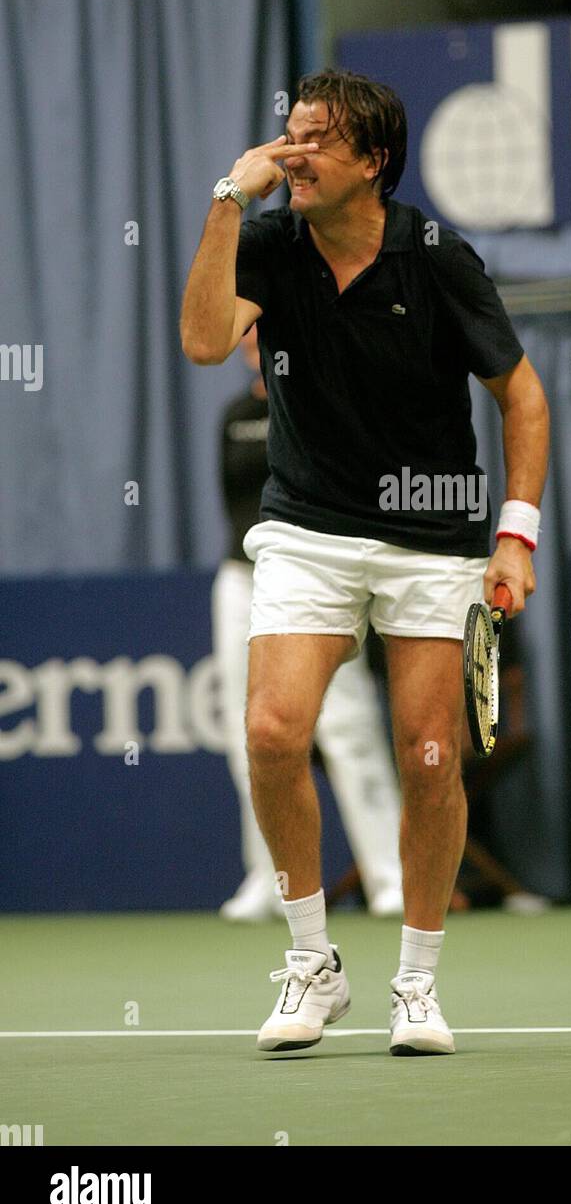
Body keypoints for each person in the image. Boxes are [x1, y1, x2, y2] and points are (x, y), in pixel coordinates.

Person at [180, 67, 549, 1056]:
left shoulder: (437, 257)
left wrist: (515, 533)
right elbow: (206, 340)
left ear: (372, 160)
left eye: (315, 140)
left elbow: (522, 397)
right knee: (269, 732)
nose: (292, 152)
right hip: (306, 525)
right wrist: (228, 195)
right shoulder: (265, 242)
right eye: (287, 134)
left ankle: (416, 984)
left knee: (429, 757)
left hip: (431, 534)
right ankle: (311, 962)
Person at [212, 323, 404, 923]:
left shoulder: (322, 403)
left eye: (262, 332)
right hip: (242, 579)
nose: (252, 342)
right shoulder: (235, 415)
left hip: (313, 581)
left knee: (347, 726)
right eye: (245, 335)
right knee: (249, 732)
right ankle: (267, 878)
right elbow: (234, 500)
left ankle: (389, 874)